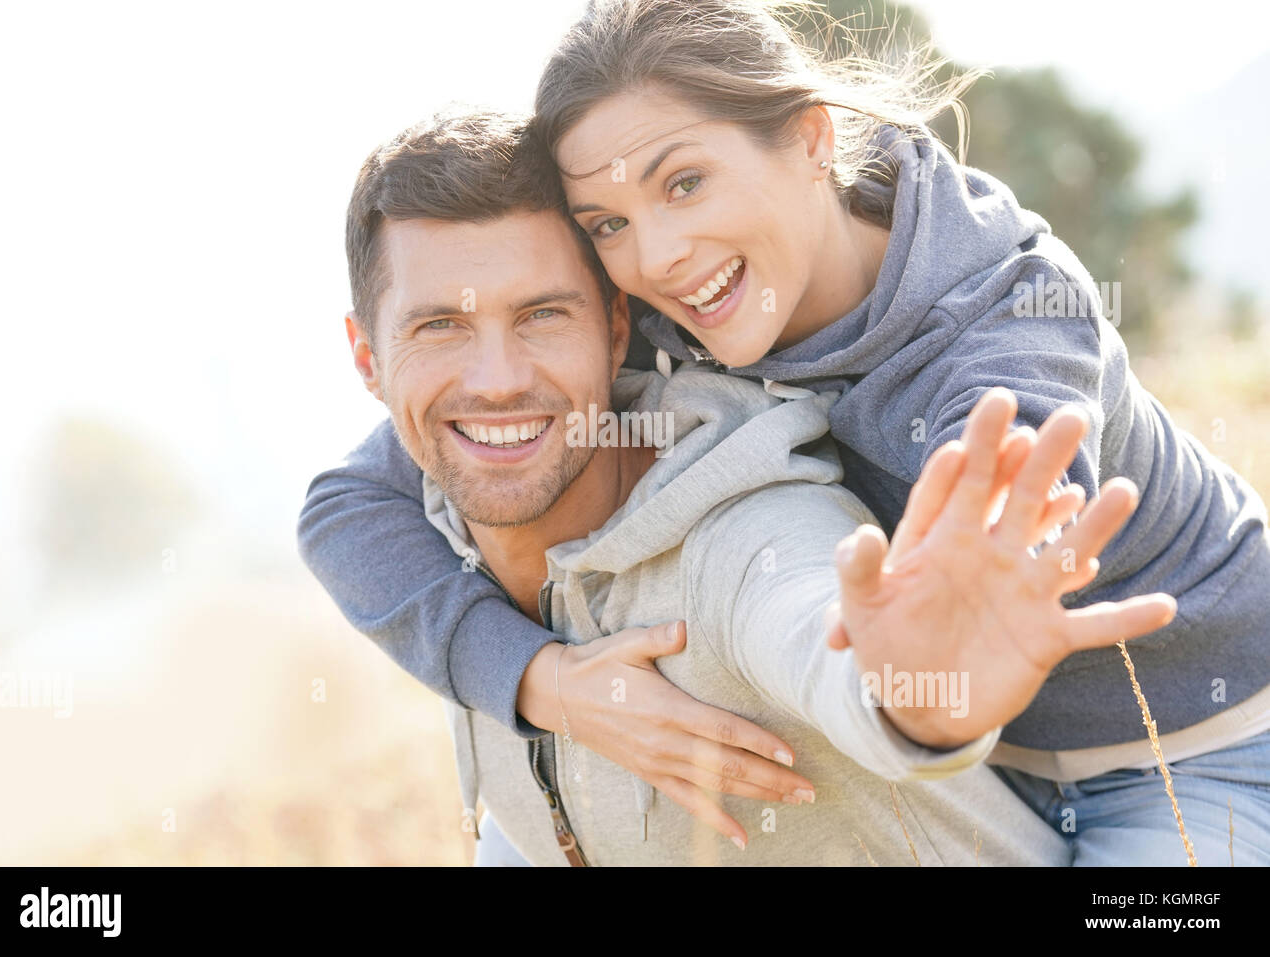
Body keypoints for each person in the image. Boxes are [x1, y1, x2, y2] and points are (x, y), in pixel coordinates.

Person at [301, 0, 1270, 864]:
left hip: (1197, 749)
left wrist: (934, 618)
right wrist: (539, 680)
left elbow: (1000, 492)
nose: (657, 254)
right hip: (983, 760)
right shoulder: (670, 302)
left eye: (684, 183)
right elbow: (357, 501)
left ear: (809, 141)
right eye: (604, 222)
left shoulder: (1010, 319)